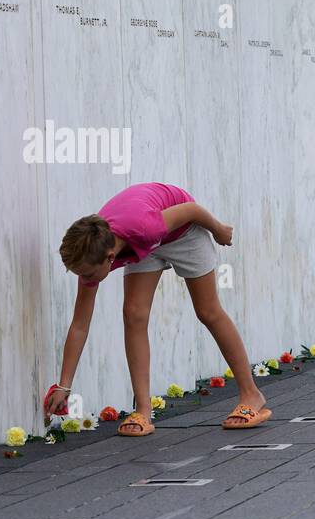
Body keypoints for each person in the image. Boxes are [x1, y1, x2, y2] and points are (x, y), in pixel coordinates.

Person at [47, 183, 264, 435]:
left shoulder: (144, 227)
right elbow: (80, 324)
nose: (84, 279)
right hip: (143, 241)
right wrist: (64, 386)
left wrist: (218, 230)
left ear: (109, 257)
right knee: (134, 314)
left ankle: (252, 394)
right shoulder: (93, 253)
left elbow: (192, 210)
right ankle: (143, 410)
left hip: (183, 231)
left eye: (86, 274)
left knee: (207, 311)